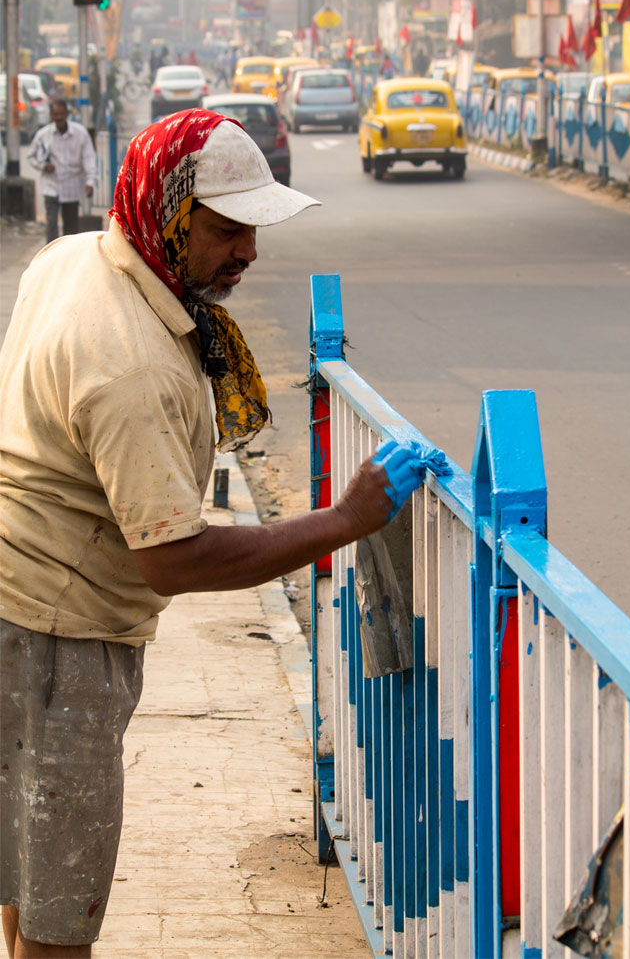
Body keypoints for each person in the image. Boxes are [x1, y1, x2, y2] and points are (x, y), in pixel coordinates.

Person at [0, 108, 424, 957]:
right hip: (54, 642)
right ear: (168, 218)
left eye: (253, 230)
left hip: (24, 609)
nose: (249, 252)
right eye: (228, 230)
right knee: (59, 914)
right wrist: (342, 521)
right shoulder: (132, 362)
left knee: (25, 876)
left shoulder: (72, 256)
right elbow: (172, 558)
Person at [28, 99, 97, 245]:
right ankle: (51, 253)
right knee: (51, 223)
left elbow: (89, 158)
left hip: (72, 186)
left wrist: (90, 181)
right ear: (51, 115)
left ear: (67, 114)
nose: (58, 117)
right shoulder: (43, 135)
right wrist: (43, 165)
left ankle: (69, 253)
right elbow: (31, 156)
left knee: (71, 227)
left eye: (61, 114)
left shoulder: (80, 134)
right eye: (55, 114)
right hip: (51, 185)